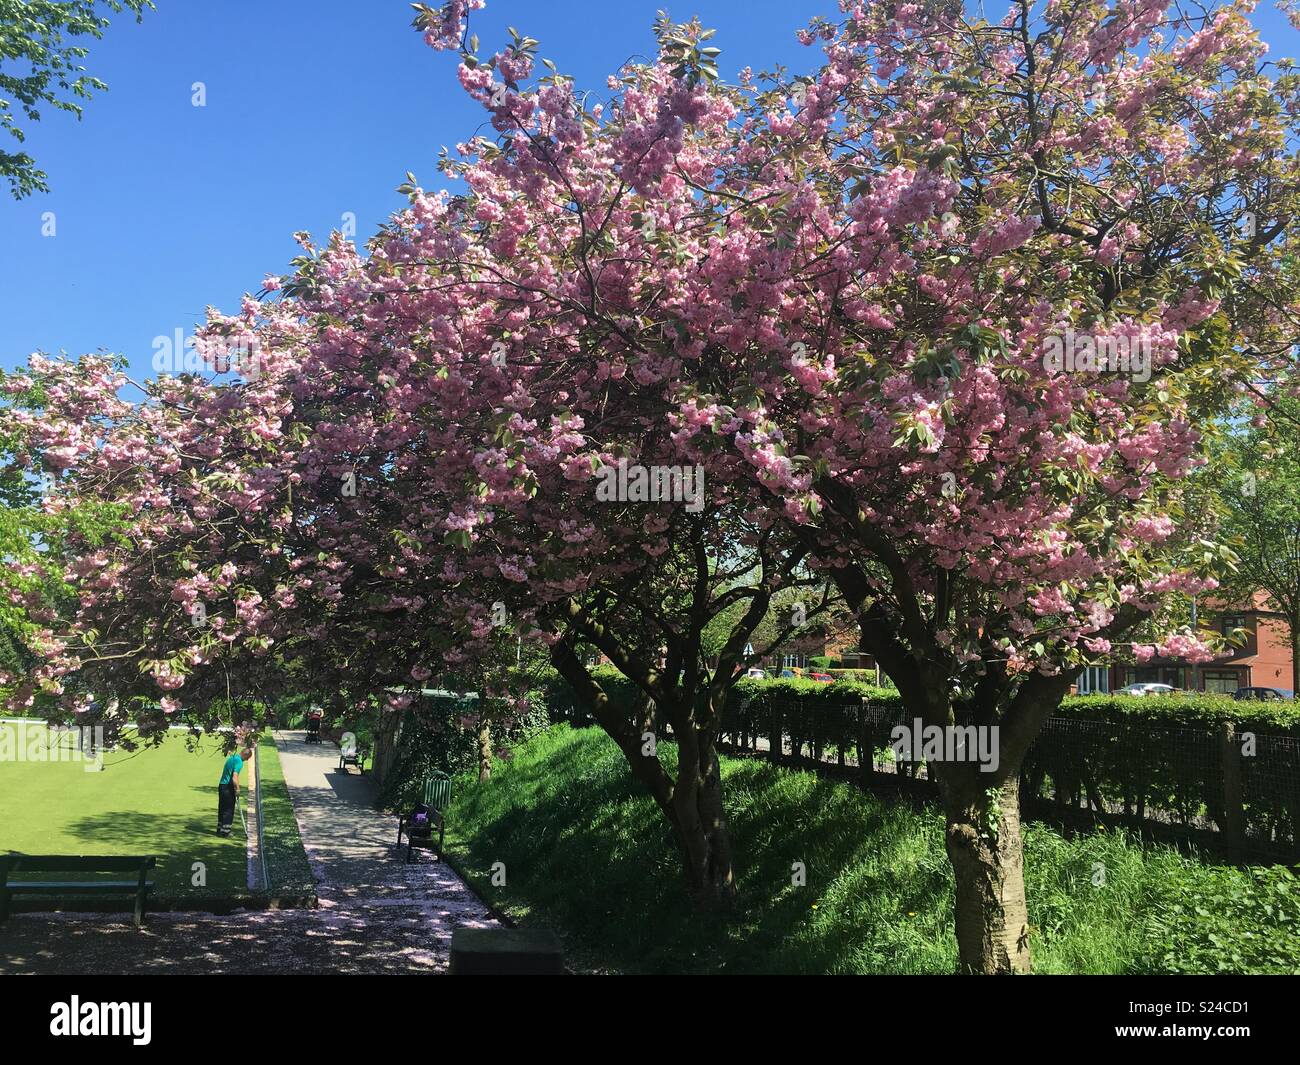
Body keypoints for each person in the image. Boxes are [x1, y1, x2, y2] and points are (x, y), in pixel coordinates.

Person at [217, 747, 253, 837]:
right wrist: (237, 789)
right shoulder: (239, 762)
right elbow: (235, 777)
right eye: (247, 758)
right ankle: (225, 831)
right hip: (228, 787)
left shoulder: (232, 758)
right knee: (229, 809)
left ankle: (220, 828)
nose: (246, 760)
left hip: (222, 785)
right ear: (245, 755)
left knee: (222, 807)